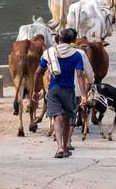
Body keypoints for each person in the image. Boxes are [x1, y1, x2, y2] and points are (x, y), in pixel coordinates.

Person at [39, 28, 93, 158]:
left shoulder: (49, 52)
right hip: (71, 90)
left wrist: (36, 90)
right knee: (68, 119)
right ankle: (66, 144)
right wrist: (85, 93)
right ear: (73, 41)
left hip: (53, 89)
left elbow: (38, 72)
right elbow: (81, 75)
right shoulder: (78, 54)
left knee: (57, 118)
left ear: (59, 39)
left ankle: (59, 148)